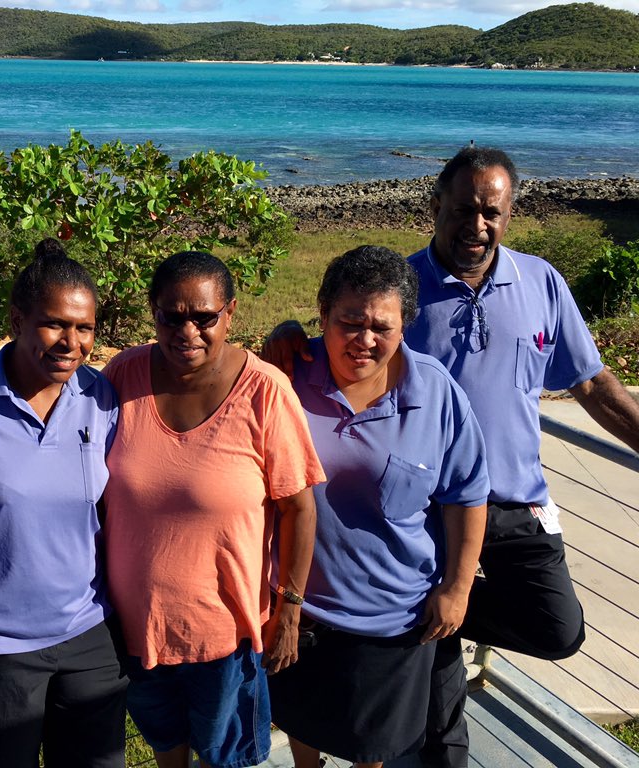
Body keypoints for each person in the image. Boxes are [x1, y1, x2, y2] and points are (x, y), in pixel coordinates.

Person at [263, 146, 639, 768]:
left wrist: (455, 591)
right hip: (423, 509)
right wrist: (283, 332)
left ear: (510, 213)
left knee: (557, 626)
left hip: (514, 502)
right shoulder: (402, 288)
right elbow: (342, 338)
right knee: (438, 709)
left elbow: (594, 385)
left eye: (492, 212)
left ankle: (427, 612)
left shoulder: (542, 282)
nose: (477, 224)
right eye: (462, 209)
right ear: (435, 206)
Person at [265, 245, 488, 768]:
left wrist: (456, 589)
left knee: (374, 748)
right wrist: (279, 333)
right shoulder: (286, 376)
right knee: (299, 717)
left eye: (382, 327)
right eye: (349, 321)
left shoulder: (436, 394)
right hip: (298, 609)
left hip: (392, 617)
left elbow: (467, 495)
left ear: (405, 326)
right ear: (322, 313)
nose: (364, 340)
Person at [102, 251, 325, 768]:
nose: (188, 331)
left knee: (227, 758)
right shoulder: (124, 375)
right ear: (152, 312)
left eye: (204, 317)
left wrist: (289, 608)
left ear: (229, 314)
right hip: (137, 628)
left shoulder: (265, 390)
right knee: (166, 747)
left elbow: (299, 508)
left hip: (225, 637)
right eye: (170, 316)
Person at [0, 239, 127, 768]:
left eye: (85, 327)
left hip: (88, 633)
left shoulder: (100, 398)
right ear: (17, 320)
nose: (71, 342)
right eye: (54, 324)